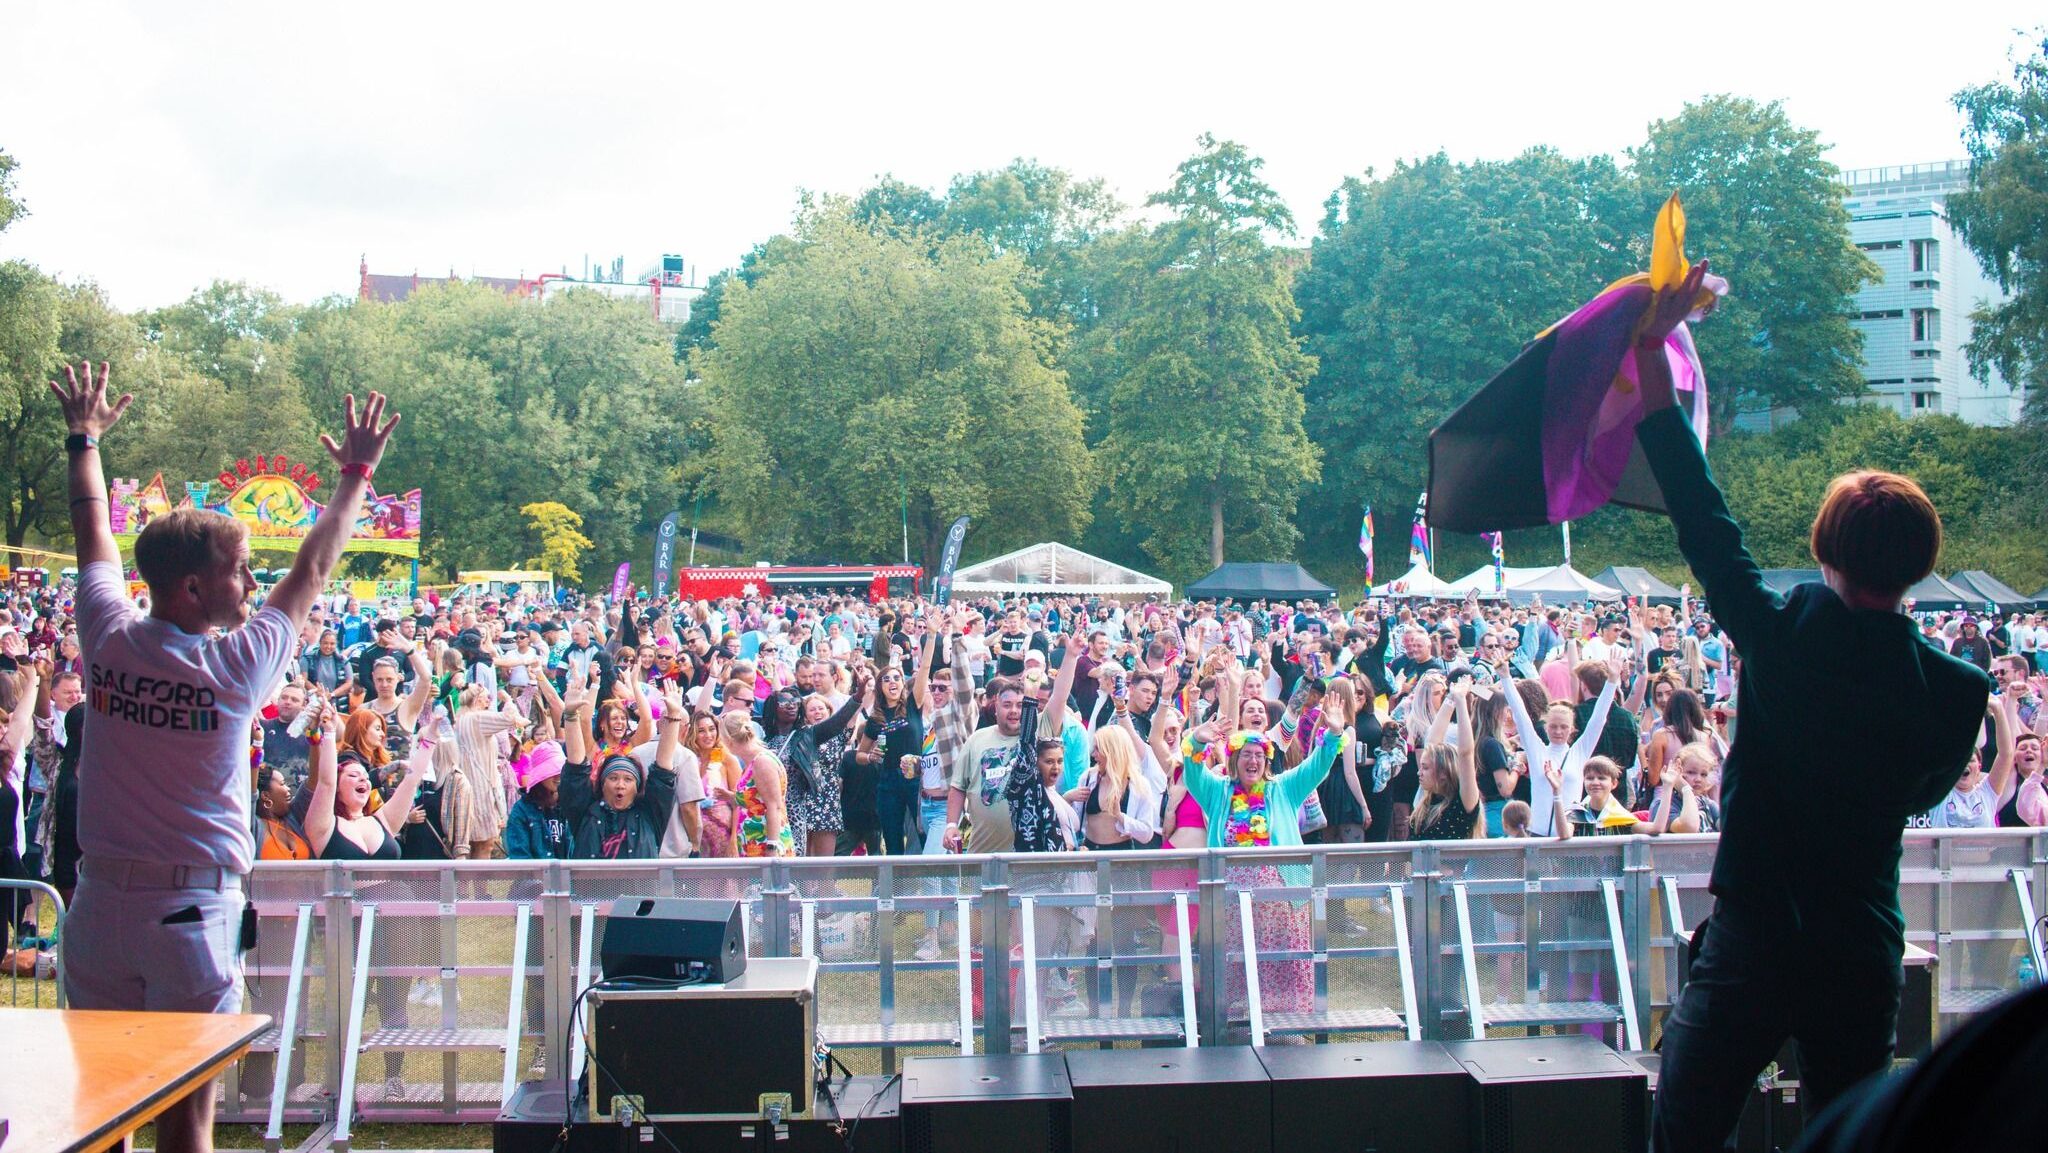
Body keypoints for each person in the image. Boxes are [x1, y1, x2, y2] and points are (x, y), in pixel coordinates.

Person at [1628, 264, 1993, 1153]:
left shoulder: (1783, 635)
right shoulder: (1959, 688)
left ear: (1827, 547)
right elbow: (1914, 795)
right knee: (1850, 1139)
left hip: (1753, 940)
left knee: (1685, 1133)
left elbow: (1702, 519)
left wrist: (1647, 351)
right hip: (1861, 948)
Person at [54, 365, 398, 1153]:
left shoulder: (105, 634)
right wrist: (354, 474)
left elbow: (91, 527)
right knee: (187, 1124)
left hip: (96, 911)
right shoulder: (235, 667)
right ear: (187, 588)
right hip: (189, 917)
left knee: (96, 1118)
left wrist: (85, 438)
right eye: (238, 570)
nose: (253, 582)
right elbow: (314, 570)